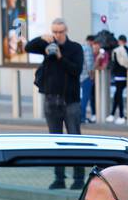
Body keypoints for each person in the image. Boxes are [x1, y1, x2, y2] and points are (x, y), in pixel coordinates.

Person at [26, 18, 86, 190]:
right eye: (54, 32)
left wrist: (60, 57)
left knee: (75, 141)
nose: (57, 35)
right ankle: (59, 178)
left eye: (60, 32)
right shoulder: (47, 47)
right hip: (51, 101)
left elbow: (77, 70)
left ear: (66, 31)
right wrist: (41, 38)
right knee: (56, 142)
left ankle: (79, 179)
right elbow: (28, 48)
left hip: (70, 101)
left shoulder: (75, 48)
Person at [107, 34, 128, 122]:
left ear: (119, 41)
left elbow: (115, 64)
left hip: (119, 76)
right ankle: (113, 114)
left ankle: (120, 115)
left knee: (118, 95)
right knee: (117, 95)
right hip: (127, 76)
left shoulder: (117, 51)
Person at [80, 35, 96, 124]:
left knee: (80, 97)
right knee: (85, 98)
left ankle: (80, 116)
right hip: (86, 76)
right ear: (91, 42)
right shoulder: (88, 49)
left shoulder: (80, 47)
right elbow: (89, 64)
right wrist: (92, 76)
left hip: (78, 76)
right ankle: (82, 117)